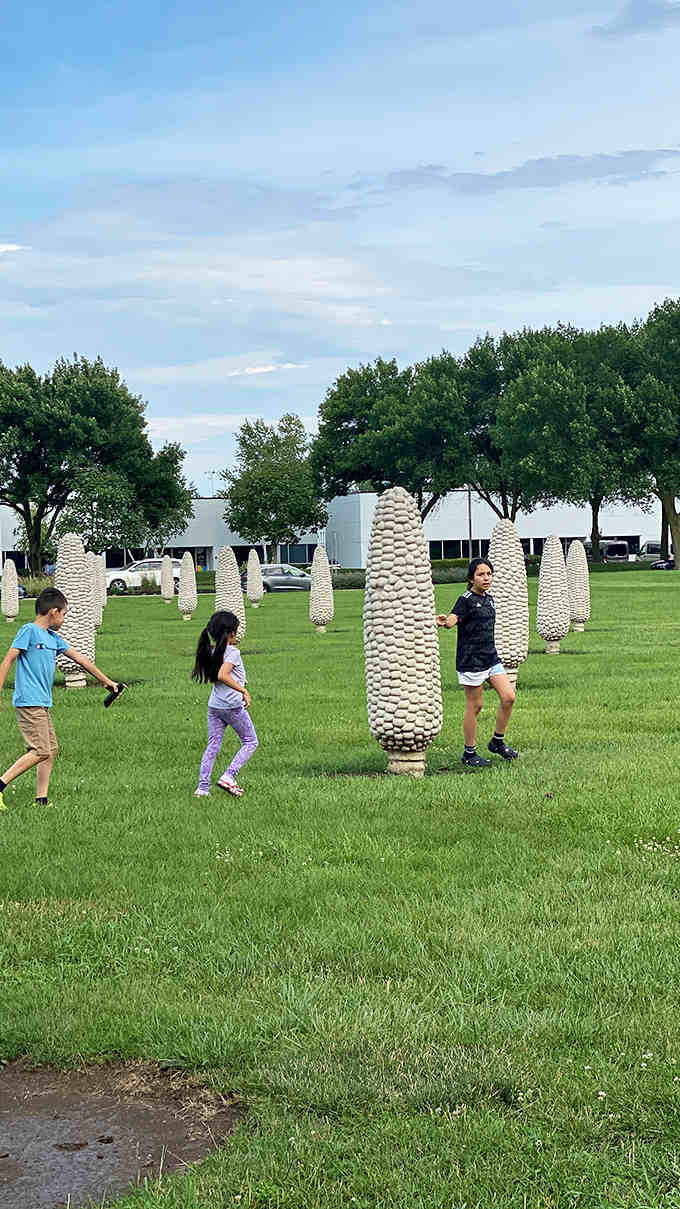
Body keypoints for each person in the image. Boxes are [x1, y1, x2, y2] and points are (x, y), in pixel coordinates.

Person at [0, 587, 120, 810]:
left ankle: (41, 800)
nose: (64, 619)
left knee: (50, 749)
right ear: (53, 612)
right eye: (64, 614)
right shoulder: (28, 631)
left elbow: (82, 659)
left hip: (42, 703)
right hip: (28, 701)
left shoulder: (53, 638)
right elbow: (8, 660)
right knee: (40, 750)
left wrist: (107, 682)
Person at [436, 557, 518, 769]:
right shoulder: (466, 599)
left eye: (489, 574)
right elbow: (454, 618)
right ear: (471, 577)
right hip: (471, 660)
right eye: (481, 574)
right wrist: (446, 622)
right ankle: (469, 753)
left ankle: (497, 742)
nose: (486, 578)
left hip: (490, 657)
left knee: (509, 697)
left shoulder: (490, 599)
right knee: (476, 705)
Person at [192, 610, 258, 799]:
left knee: (213, 745)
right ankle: (229, 776)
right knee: (251, 741)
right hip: (232, 707)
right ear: (230, 633)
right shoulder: (233, 653)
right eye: (236, 631)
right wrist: (243, 690)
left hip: (214, 706)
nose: (237, 635)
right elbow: (223, 675)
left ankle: (202, 788)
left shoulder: (211, 650)